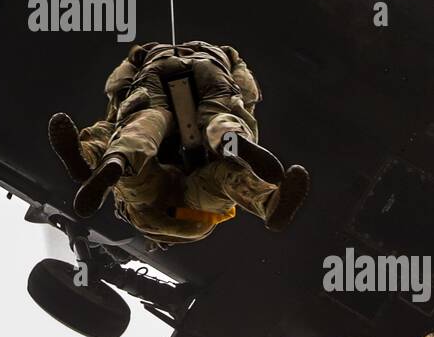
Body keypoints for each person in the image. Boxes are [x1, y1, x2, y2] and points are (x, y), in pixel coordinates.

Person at [48, 42, 309, 239]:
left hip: (148, 208)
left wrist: (132, 71)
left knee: (132, 131)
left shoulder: (145, 54)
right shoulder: (226, 54)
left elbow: (115, 87)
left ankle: (95, 159)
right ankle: (260, 191)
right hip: (196, 217)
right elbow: (247, 92)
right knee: (225, 161)